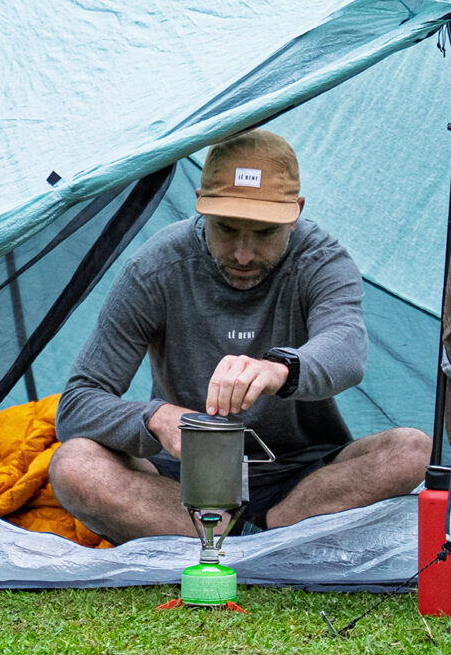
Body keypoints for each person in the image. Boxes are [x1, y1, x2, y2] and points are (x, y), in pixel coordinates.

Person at [50, 129, 430, 544]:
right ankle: (249, 539)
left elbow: (347, 350)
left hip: (304, 477)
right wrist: (156, 418)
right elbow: (78, 403)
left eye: (265, 232)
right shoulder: (155, 268)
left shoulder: (322, 259)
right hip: (182, 484)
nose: (244, 254)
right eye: (227, 229)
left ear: (296, 212)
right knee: (74, 465)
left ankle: (250, 535)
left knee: (413, 450)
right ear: (200, 204)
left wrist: (278, 368)